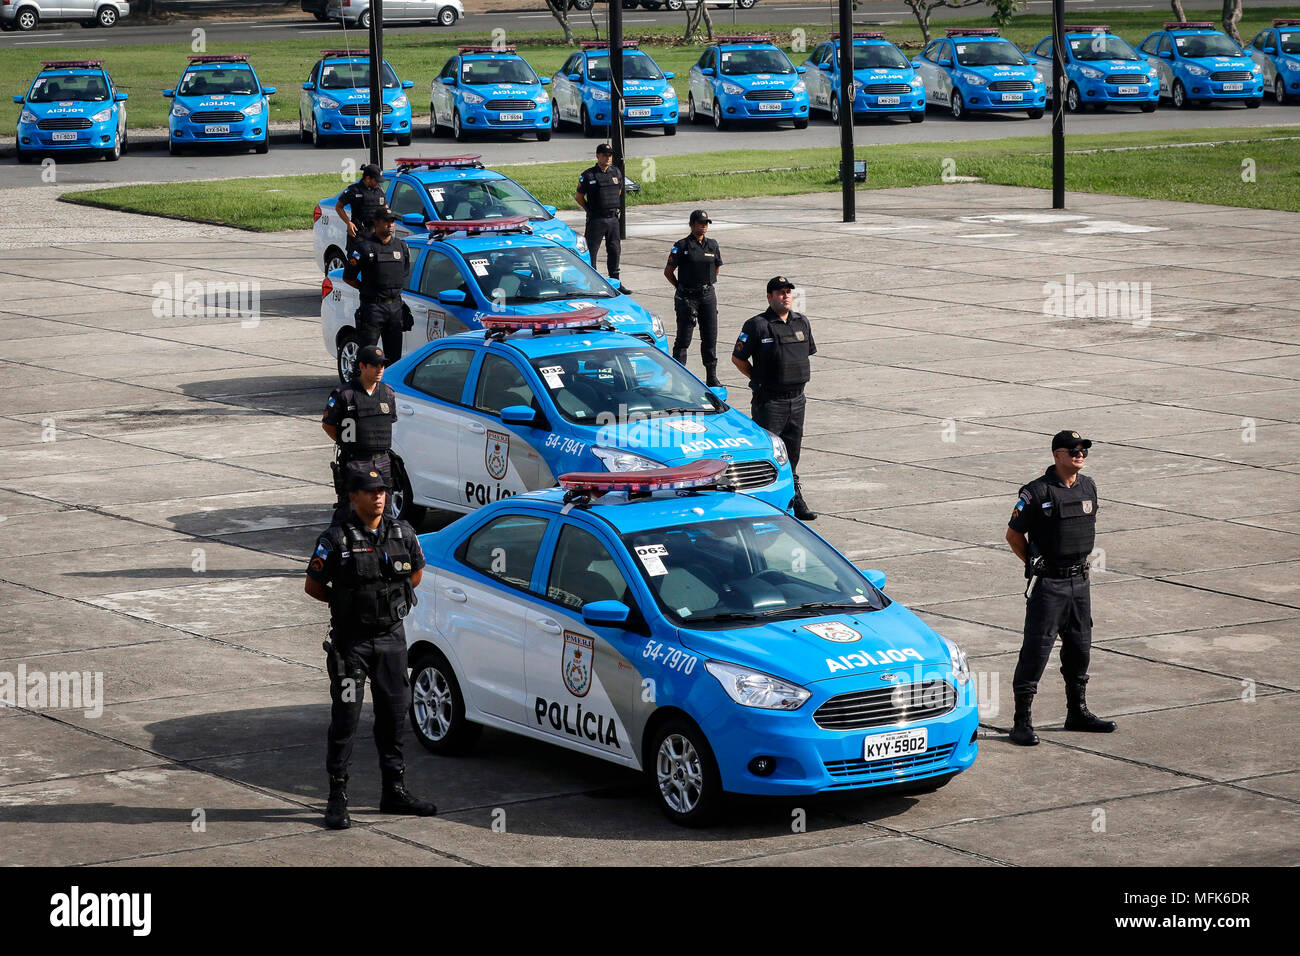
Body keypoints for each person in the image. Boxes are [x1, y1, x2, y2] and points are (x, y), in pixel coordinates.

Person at [304, 464, 436, 830]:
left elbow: (416, 574)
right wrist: (349, 604)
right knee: (346, 719)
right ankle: (337, 797)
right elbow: (314, 586)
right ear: (354, 497)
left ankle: (394, 792)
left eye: (382, 491)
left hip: (391, 640)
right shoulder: (335, 540)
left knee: (394, 717)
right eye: (370, 492)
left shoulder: (403, 532)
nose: (379, 497)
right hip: (352, 644)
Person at [1004, 430, 1117, 746]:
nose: (1080, 453)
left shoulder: (1088, 486)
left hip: (1080, 582)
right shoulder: (1037, 492)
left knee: (1080, 649)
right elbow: (1013, 535)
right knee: (1036, 651)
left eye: (1083, 449)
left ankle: (1077, 712)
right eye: (1073, 449)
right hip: (1050, 585)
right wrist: (1035, 565)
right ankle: (1021, 723)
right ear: (1057, 454)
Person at [731, 276, 816, 521]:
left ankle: (793, 497)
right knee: (768, 453)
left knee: (793, 452)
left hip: (797, 399)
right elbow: (738, 358)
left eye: (789, 291)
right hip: (770, 401)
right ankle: (765, 500)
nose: (786, 295)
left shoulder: (802, 322)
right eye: (780, 292)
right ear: (769, 297)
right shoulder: (757, 325)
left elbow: (806, 353)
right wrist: (758, 379)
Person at [322, 344, 397, 523]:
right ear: (362, 366)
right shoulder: (344, 394)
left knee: (383, 511)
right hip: (356, 462)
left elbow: (390, 421)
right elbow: (328, 425)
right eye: (374, 365)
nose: (379, 370)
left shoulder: (387, 393)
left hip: (382, 461)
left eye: (382, 365)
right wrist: (348, 444)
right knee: (352, 511)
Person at [342, 207, 412, 364]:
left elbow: (404, 272)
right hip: (373, 308)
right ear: (376, 223)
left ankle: (387, 388)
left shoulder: (401, 247)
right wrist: (365, 288)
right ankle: (361, 387)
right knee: (367, 356)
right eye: (386, 221)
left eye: (392, 221)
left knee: (394, 358)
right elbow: (348, 277)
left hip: (395, 307)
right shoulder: (364, 248)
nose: (390, 225)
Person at [664, 209, 722, 386]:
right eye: (700, 223)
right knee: (684, 339)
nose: (703, 227)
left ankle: (711, 376)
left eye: (706, 224)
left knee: (710, 337)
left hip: (707, 296)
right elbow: (668, 272)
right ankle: (677, 378)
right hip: (688, 297)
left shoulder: (712, 245)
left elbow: (717, 268)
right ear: (691, 225)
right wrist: (681, 289)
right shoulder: (682, 246)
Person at [575, 143, 628, 290]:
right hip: (596, 219)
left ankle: (615, 281)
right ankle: (592, 282)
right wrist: (589, 210)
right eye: (604, 155)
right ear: (597, 156)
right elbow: (579, 197)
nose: (608, 158)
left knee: (614, 249)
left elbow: (618, 191)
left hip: (612, 219)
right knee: (592, 250)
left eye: (610, 155)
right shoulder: (588, 175)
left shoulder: (616, 172)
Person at [335, 163, 390, 256]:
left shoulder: (379, 190)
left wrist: (388, 219)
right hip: (358, 233)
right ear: (368, 178)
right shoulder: (354, 190)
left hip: (375, 234)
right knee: (355, 262)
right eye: (376, 180)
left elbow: (385, 207)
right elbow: (339, 207)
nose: (378, 183)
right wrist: (348, 223)